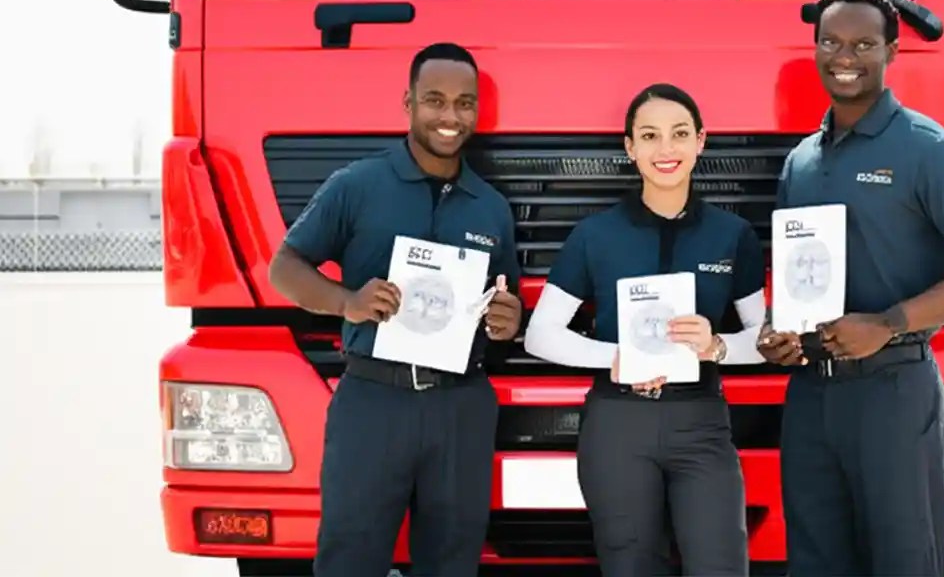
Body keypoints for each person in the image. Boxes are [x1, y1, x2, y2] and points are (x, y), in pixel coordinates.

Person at [757, 0, 944, 577]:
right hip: (812, 395)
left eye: (863, 44)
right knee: (815, 561)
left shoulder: (927, 149)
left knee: (902, 561)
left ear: (892, 51)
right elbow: (796, 272)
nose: (844, 57)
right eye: (831, 42)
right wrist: (779, 330)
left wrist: (888, 323)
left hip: (894, 390)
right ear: (815, 48)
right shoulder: (801, 161)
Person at [267, 42, 524, 577]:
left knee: (453, 562)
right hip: (373, 401)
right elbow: (285, 267)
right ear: (407, 103)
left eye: (464, 103)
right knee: (350, 557)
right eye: (434, 100)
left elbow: (504, 302)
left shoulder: (491, 207)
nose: (450, 116)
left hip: (461, 405)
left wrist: (508, 318)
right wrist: (348, 302)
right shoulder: (357, 186)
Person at [523, 83, 766, 577]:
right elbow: (540, 335)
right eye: (649, 136)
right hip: (618, 423)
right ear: (630, 147)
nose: (666, 149)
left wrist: (716, 345)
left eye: (679, 134)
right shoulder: (595, 235)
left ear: (701, 141)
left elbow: (765, 340)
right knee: (631, 567)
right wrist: (613, 359)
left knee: (721, 564)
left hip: (701, 422)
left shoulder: (731, 235)